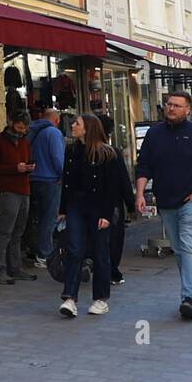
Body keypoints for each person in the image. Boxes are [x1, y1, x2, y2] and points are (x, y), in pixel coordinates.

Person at [57, 114, 130, 318]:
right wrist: (62, 209)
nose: (73, 125)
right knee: (74, 249)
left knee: (100, 252)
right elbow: (67, 182)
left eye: (77, 123)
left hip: (99, 208)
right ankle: (70, 297)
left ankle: (100, 299)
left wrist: (108, 214)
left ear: (87, 129)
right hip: (76, 206)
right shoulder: (71, 150)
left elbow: (112, 188)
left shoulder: (108, 153)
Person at [135, 90, 192, 320]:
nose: (172, 108)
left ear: (188, 110)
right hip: (166, 201)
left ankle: (188, 297)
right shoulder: (154, 133)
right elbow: (144, 166)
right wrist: (140, 194)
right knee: (179, 250)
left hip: (189, 201)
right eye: (169, 104)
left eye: (178, 105)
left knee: (187, 246)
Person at [0, 110, 37, 285]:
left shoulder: (24, 141)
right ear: (10, 122)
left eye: (24, 128)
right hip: (8, 191)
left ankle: (15, 267)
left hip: (24, 190)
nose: (22, 130)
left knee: (18, 232)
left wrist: (29, 167)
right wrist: (16, 168)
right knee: (4, 231)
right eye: (19, 127)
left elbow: (27, 160)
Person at [97, 114, 136, 286]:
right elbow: (123, 180)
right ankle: (112, 270)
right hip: (112, 202)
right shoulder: (112, 152)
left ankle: (93, 263)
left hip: (89, 204)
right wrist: (131, 203)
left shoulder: (80, 150)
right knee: (114, 237)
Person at [27, 108, 65, 268]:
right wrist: (63, 175)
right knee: (49, 218)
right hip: (50, 180)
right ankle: (45, 254)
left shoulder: (35, 132)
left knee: (38, 218)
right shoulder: (53, 133)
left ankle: (36, 249)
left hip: (34, 178)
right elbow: (57, 157)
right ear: (57, 120)